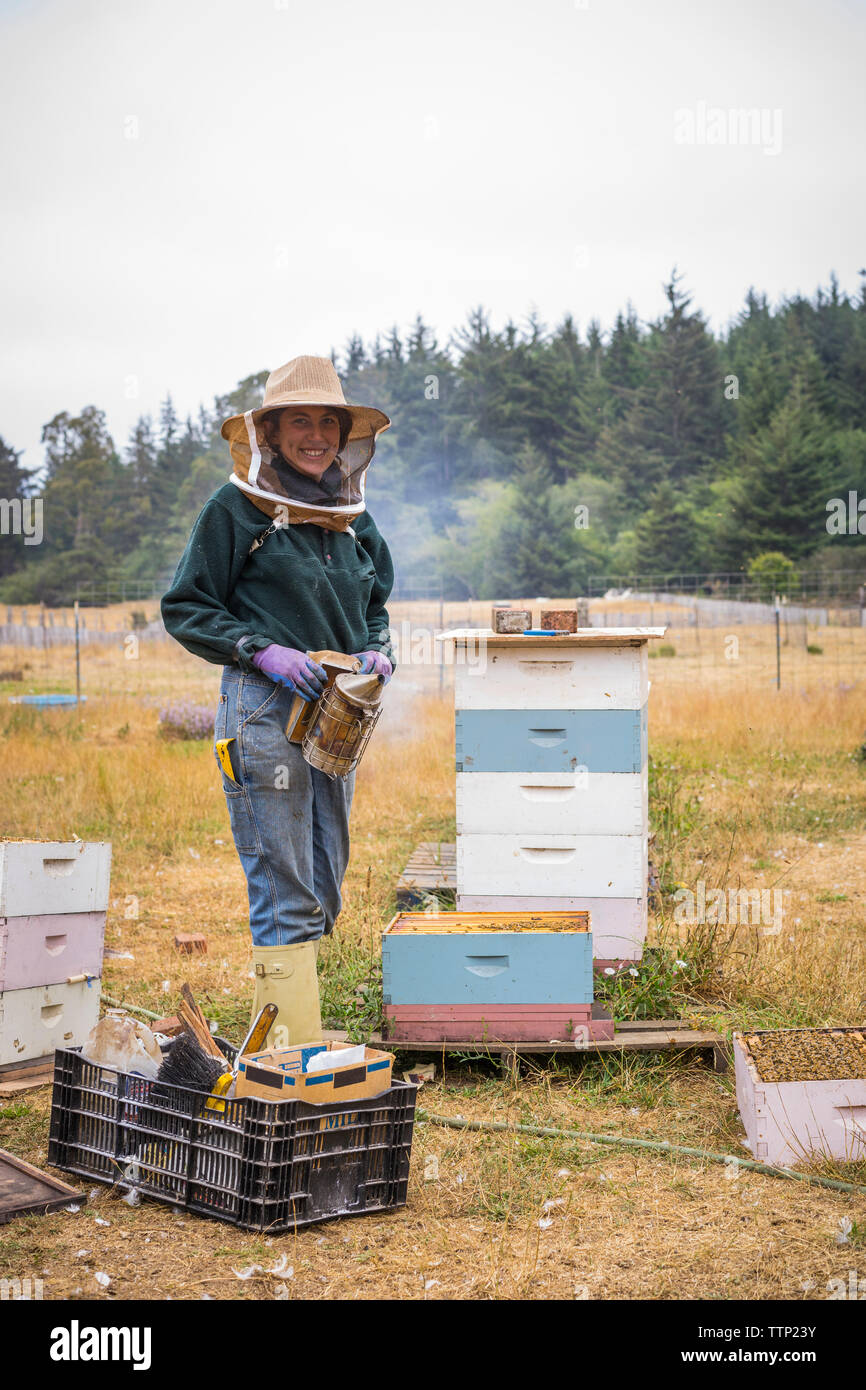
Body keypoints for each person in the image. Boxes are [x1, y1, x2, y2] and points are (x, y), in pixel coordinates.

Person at [161, 355, 394, 1044]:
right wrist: (260, 649)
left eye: (329, 420)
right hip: (263, 709)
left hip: (338, 714)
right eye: (301, 420)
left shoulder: (353, 517)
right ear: (269, 431)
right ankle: (291, 1059)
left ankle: (295, 1029)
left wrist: (377, 649)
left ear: (348, 435)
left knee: (324, 882)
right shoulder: (234, 509)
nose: (317, 433)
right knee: (284, 883)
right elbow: (187, 606)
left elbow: (376, 602)